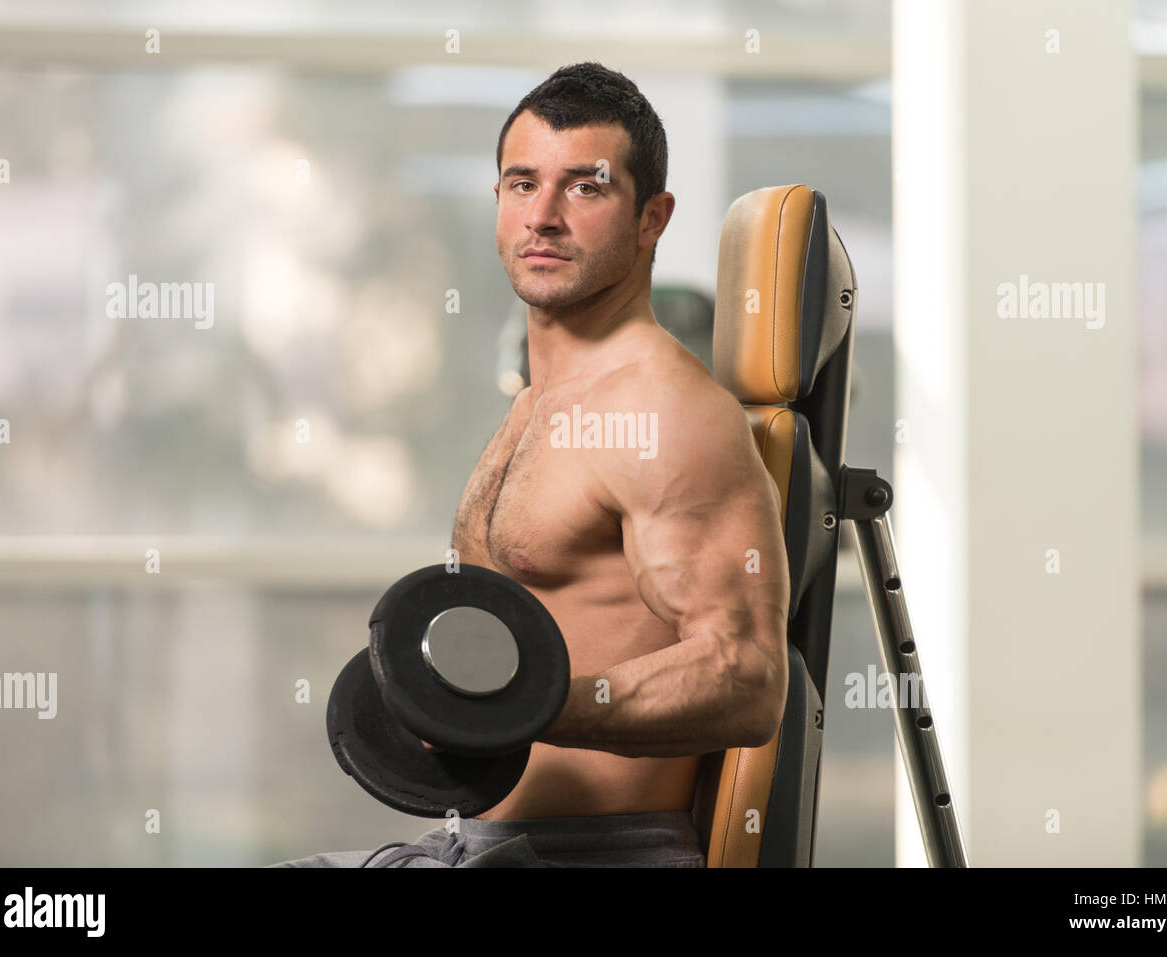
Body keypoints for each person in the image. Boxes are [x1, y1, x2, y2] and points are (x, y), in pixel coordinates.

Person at [276, 61, 789, 868]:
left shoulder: (662, 411)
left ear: (652, 218)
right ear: (498, 204)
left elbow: (745, 675)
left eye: (585, 188)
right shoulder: (537, 400)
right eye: (523, 184)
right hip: (474, 844)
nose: (543, 216)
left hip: (591, 854)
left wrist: (526, 708)